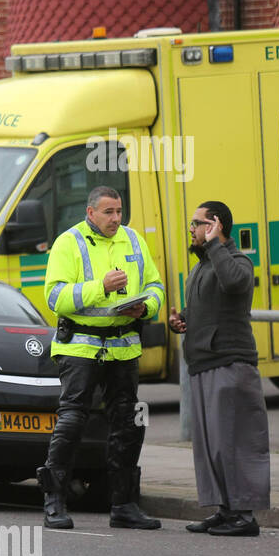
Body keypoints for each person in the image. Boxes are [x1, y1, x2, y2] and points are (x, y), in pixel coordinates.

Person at [39, 185, 165, 530]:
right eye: (108, 212)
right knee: (72, 422)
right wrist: (102, 287)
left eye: (119, 211)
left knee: (128, 425)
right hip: (80, 347)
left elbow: (155, 285)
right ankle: (54, 502)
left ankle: (124, 505)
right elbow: (55, 297)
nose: (116, 219)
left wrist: (146, 307)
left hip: (124, 346)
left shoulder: (133, 240)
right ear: (90, 212)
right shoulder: (69, 242)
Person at [168, 202, 269, 537]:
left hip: (230, 363)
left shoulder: (237, 261)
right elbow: (208, 304)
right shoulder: (202, 267)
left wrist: (215, 245)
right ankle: (225, 510)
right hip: (203, 363)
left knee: (235, 441)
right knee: (212, 445)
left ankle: (244, 515)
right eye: (193, 224)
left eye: (198, 224)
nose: (192, 230)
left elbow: (235, 284)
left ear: (215, 226)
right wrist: (182, 319)